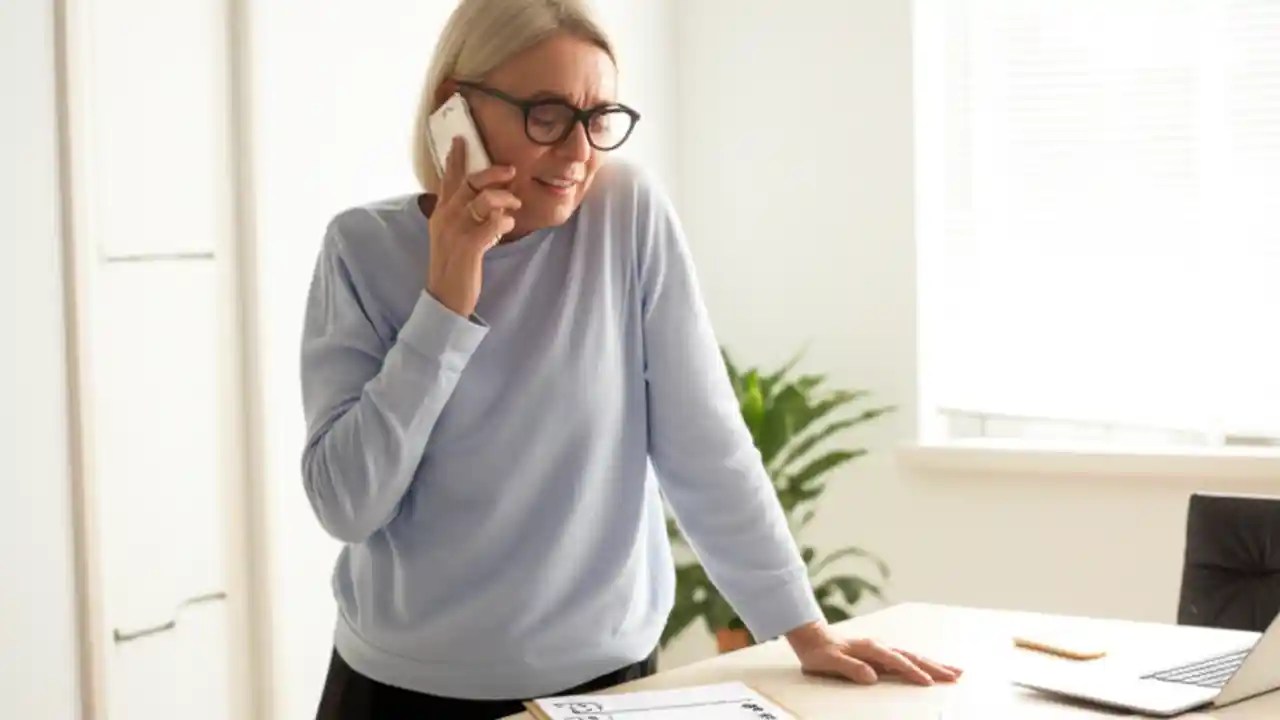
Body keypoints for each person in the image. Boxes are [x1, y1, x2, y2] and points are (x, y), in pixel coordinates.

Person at [300, 1, 962, 718]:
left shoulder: (625, 214)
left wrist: (803, 630)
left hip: (600, 682)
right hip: (401, 688)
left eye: (599, 117)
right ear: (452, 108)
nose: (580, 151)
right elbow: (347, 503)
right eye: (547, 115)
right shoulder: (361, 251)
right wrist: (446, 300)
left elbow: (703, 441)